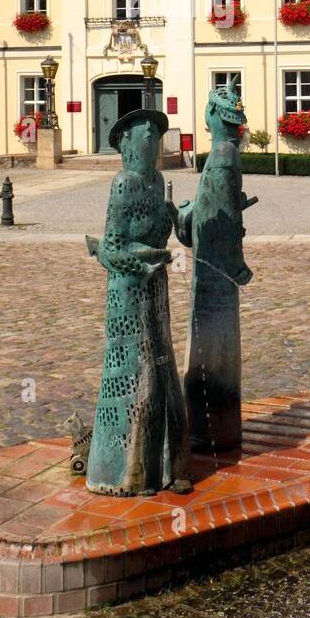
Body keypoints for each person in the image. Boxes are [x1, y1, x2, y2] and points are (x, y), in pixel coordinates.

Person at [85, 108, 192, 496]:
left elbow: (164, 234)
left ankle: (165, 466)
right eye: (146, 134)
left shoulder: (157, 181)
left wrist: (174, 216)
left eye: (157, 134)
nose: (154, 139)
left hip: (155, 286)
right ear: (127, 143)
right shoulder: (124, 183)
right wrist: (144, 259)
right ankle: (127, 474)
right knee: (137, 373)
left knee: (162, 367)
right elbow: (111, 249)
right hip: (128, 290)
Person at [177, 77, 257, 450]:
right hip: (211, 268)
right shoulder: (222, 153)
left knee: (211, 351)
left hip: (214, 273)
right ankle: (213, 429)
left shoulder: (223, 156)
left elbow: (225, 220)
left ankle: (211, 432)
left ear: (211, 114)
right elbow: (215, 209)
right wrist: (189, 217)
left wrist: (235, 265)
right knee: (210, 349)